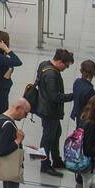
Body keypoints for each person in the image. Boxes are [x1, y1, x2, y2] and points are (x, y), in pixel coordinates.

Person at [35, 48, 75, 177]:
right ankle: (45, 165)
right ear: (59, 61)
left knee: (56, 133)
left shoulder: (44, 64)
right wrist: (73, 96)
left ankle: (56, 160)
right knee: (47, 138)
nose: (66, 68)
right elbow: (55, 97)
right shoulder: (52, 74)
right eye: (66, 65)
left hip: (45, 107)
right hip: (49, 111)